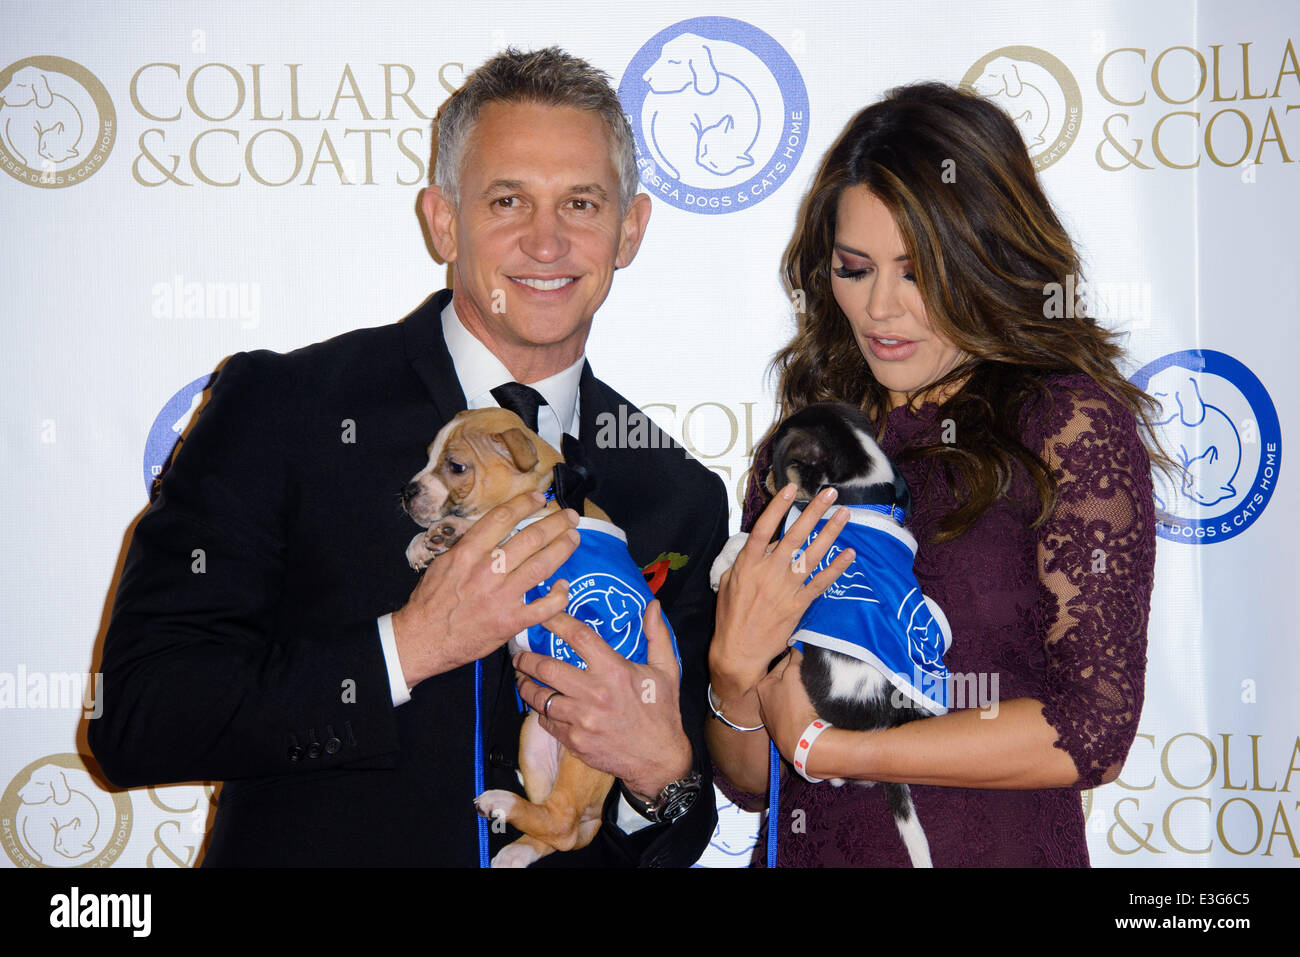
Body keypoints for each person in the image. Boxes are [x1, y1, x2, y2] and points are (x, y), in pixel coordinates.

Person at [89, 47, 728, 867]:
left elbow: (683, 807)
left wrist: (659, 774)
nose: (546, 240)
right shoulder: (287, 408)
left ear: (629, 229)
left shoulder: (678, 493)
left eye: (581, 202)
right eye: (507, 200)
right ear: (442, 219)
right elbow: (140, 718)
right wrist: (410, 646)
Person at [706, 82, 1161, 867]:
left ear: (988, 258)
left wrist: (843, 749)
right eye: (854, 268)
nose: (881, 307)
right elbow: (753, 780)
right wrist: (731, 669)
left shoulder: (1064, 424)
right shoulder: (806, 449)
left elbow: (1093, 733)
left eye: (917, 272)